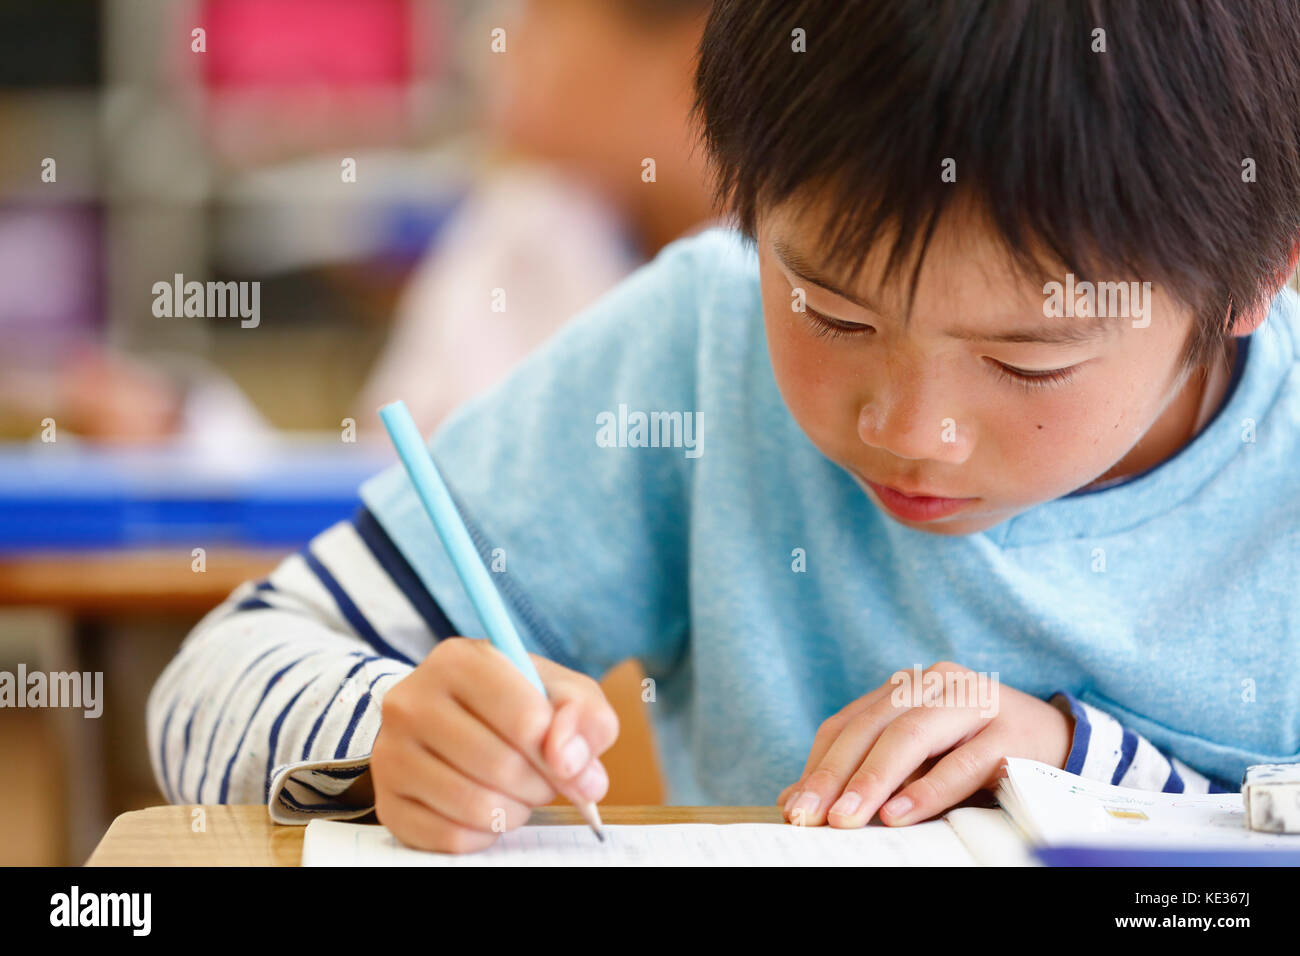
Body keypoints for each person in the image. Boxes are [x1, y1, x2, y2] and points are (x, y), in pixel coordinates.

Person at [149, 0, 1300, 853]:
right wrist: (389, 729)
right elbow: (209, 681)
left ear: (1258, 276)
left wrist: (1081, 774)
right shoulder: (696, 345)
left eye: (1023, 356)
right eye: (832, 314)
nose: (910, 427)